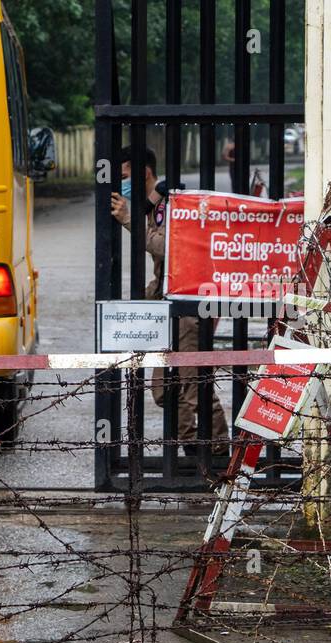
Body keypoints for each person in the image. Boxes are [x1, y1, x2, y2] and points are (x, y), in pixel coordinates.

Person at [111, 146, 226, 454]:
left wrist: (128, 220)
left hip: (190, 305)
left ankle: (217, 452)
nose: (121, 184)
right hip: (167, 305)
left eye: (124, 176)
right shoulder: (156, 202)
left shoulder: (174, 204)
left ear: (144, 172)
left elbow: (170, 248)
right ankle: (189, 445)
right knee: (163, 389)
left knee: (194, 386)